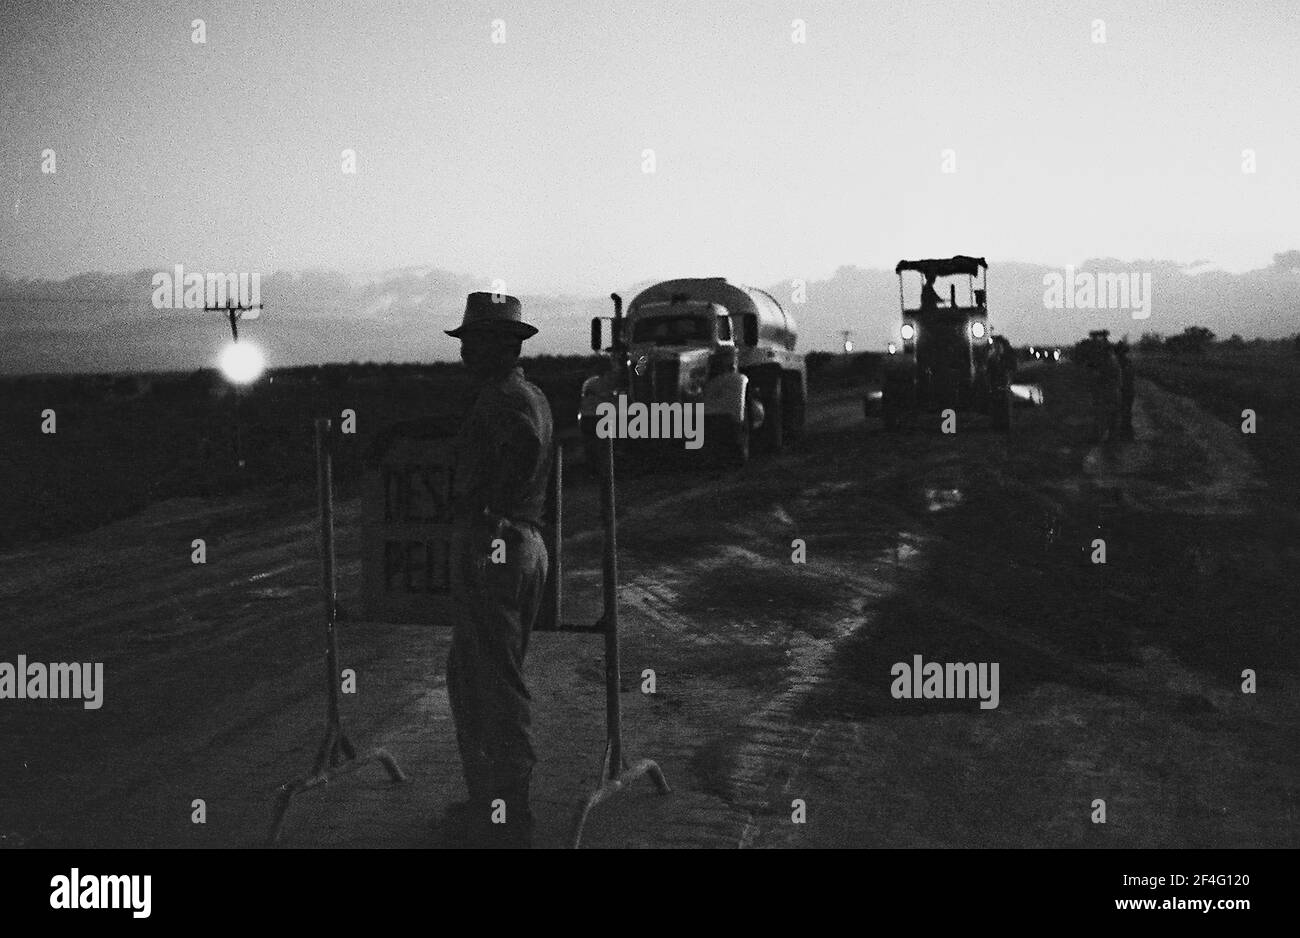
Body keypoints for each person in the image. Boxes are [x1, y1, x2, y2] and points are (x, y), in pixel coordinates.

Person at [441, 291, 553, 848]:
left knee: (493, 681)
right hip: (517, 541)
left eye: (473, 344)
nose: (465, 356)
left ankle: (509, 815)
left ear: (501, 346)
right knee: (474, 673)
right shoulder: (525, 393)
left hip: (500, 543)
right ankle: (493, 803)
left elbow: (522, 450)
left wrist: (489, 513)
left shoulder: (505, 398)